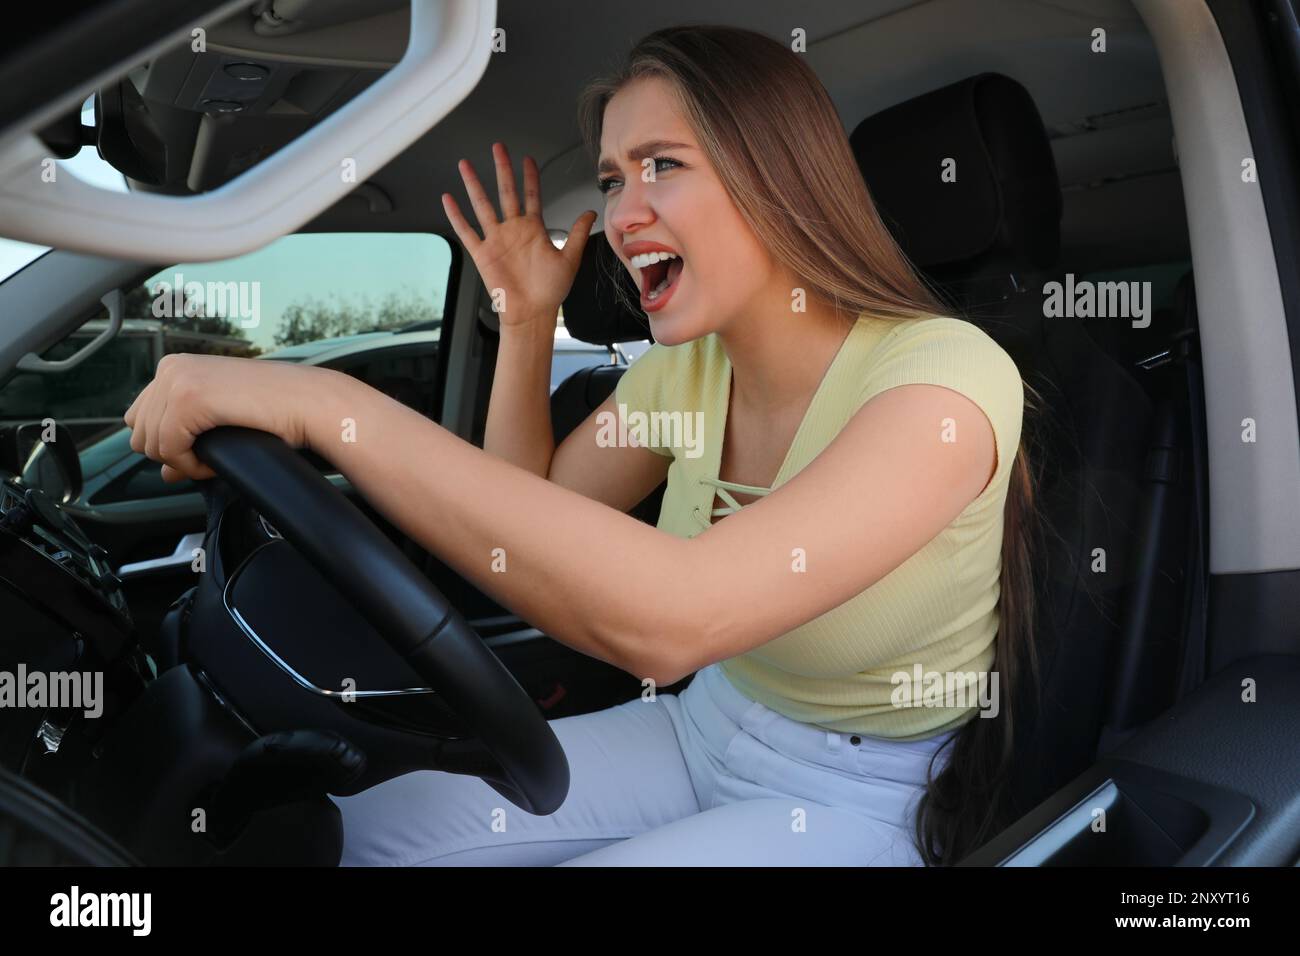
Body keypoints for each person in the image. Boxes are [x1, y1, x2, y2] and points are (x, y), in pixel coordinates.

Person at [123, 24, 1040, 866]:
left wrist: (327, 404)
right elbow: (523, 523)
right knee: (358, 840)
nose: (626, 209)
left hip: (856, 794)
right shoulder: (690, 373)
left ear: (775, 175)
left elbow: (674, 622)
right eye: (612, 179)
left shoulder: (946, 380)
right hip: (705, 724)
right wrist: (525, 321)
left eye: (662, 165)